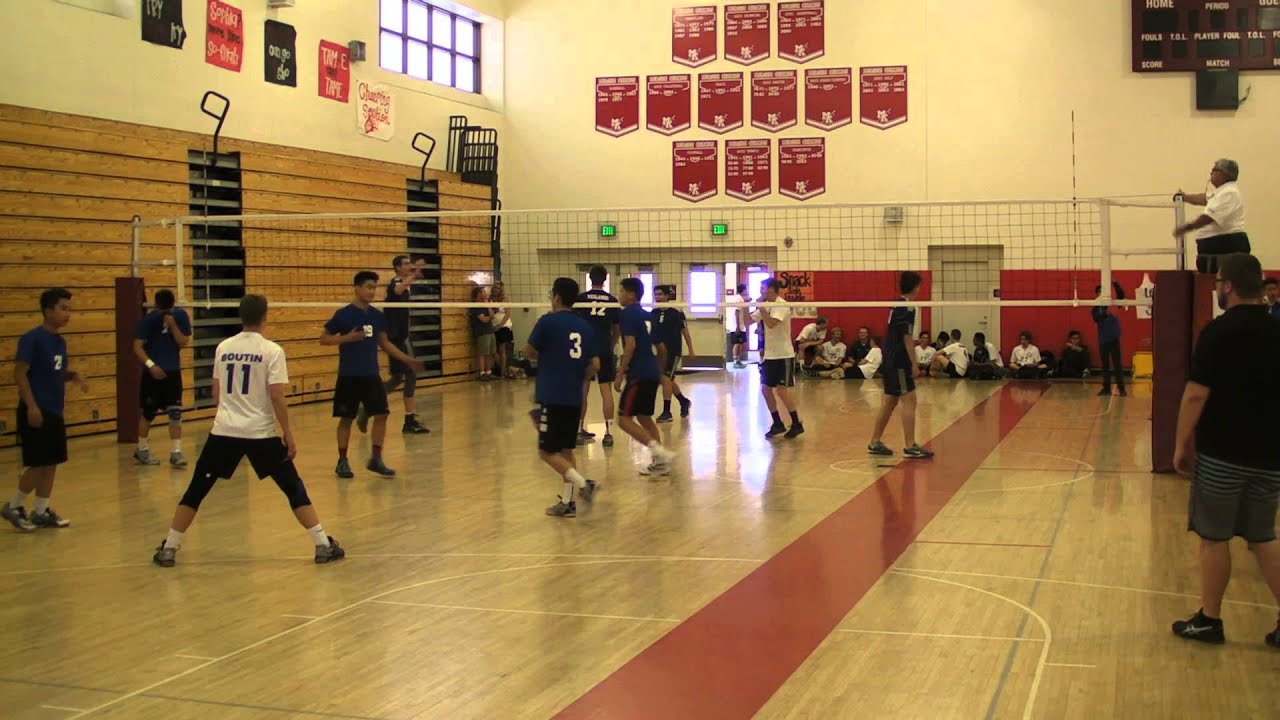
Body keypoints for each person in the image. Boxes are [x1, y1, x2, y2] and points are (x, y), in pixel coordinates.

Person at [152, 294, 345, 566]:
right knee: (293, 488)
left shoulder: (223, 347)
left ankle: (169, 548)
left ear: (240, 316)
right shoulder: (272, 351)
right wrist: (287, 432)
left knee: (197, 490)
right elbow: (276, 395)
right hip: (260, 433)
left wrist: (230, 414)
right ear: (265, 317)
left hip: (225, 430)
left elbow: (217, 392)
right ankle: (322, 544)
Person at [1170, 252, 1280, 648]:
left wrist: (1181, 444)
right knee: (1263, 536)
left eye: (1218, 282)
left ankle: (1210, 620)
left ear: (1228, 286)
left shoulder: (1217, 332)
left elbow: (1197, 394)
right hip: (1270, 454)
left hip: (1223, 454)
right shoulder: (1276, 329)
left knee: (1214, 538)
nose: (1216, 288)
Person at [320, 271, 423, 479]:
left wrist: (407, 359)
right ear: (356, 288)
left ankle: (376, 458)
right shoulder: (343, 315)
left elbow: (384, 343)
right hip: (348, 375)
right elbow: (324, 339)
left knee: (382, 414)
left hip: (370, 375)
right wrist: (348, 338)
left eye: (374, 287)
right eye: (368, 287)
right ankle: (342, 461)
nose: (372, 291)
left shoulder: (377, 316)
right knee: (346, 418)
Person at [2, 288, 88, 532]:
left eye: (69, 309)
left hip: (54, 411)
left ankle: (40, 510)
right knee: (38, 464)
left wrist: (73, 376)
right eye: (63, 308)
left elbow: (54, 373)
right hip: (36, 410)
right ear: (48, 310)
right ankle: (14, 506)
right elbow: (20, 373)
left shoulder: (59, 341)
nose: (67, 314)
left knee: (51, 463)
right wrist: (31, 406)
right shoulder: (32, 339)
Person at [525, 278, 600, 518]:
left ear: (556, 297)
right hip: (574, 396)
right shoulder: (585, 326)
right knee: (566, 451)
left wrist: (549, 357)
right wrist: (575, 370)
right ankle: (568, 503)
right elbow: (595, 365)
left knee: (546, 452)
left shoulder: (547, 322)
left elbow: (529, 352)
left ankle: (583, 484)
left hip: (552, 395)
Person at [868, 272, 933, 459]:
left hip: (890, 358)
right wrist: (914, 363)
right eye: (919, 285)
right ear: (915, 287)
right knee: (909, 399)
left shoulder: (896, 304)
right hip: (899, 361)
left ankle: (874, 441)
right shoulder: (908, 308)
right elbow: (906, 338)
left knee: (890, 401)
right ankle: (910, 445)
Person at [614, 277, 675, 475]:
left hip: (638, 373)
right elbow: (662, 349)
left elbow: (630, 346)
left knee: (624, 419)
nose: (620, 295)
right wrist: (660, 371)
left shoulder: (628, 315)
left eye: (622, 291)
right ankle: (660, 463)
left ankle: (660, 452)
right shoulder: (650, 316)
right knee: (644, 418)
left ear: (631, 294)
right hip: (651, 372)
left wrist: (620, 372)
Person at [367, 255, 428, 434]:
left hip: (401, 336)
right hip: (394, 338)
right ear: (397, 268)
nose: (409, 265)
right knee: (410, 374)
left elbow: (419, 278)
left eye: (410, 263)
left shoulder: (404, 281)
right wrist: (415, 270)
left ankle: (368, 405)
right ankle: (409, 420)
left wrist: (416, 271)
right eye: (405, 264)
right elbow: (400, 289)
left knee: (398, 378)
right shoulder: (395, 283)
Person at [132, 288, 192, 467]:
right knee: (148, 414)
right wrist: (151, 366)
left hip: (172, 373)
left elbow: (183, 342)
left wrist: (173, 325)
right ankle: (142, 449)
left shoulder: (180, 316)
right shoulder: (148, 320)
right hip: (152, 375)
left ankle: (176, 452)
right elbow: (137, 347)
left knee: (175, 412)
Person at [1174, 159, 1248, 275]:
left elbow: (1209, 217)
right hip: (1217, 247)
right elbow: (1205, 198)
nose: (1210, 173)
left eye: (1214, 170)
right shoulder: (1221, 192)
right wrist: (1185, 197)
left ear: (1223, 174)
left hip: (1224, 247)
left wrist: (1187, 227)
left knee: (1222, 280)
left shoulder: (1229, 193)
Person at [575, 265, 621, 446]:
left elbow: (575, 323)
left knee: (583, 389)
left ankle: (579, 430)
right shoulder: (612, 300)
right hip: (603, 349)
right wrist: (610, 345)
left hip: (585, 349)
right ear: (606, 279)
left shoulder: (580, 299)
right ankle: (608, 433)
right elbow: (617, 329)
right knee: (606, 390)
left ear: (589, 278)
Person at [752, 278, 804, 439]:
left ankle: (796, 424)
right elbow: (747, 321)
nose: (761, 291)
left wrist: (761, 308)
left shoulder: (781, 304)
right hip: (769, 355)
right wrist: (743, 308)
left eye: (763, 288)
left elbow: (771, 324)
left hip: (784, 355)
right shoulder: (764, 305)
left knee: (781, 391)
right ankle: (777, 423)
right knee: (766, 390)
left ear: (772, 290)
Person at [654, 285, 693, 423]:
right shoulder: (653, 313)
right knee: (668, 380)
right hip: (659, 353)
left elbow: (685, 333)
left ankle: (667, 412)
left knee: (665, 379)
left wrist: (691, 350)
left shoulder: (676, 313)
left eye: (660, 294)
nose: (657, 297)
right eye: (656, 294)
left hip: (674, 352)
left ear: (667, 296)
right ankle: (683, 401)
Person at [1092, 283, 1127, 397]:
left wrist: (1116, 285)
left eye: (1104, 291)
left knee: (1117, 365)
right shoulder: (1095, 308)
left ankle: (1122, 389)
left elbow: (1121, 296)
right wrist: (1104, 311)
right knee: (1105, 365)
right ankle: (1106, 388)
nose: (1102, 293)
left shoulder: (1114, 304)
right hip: (1103, 340)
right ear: (1097, 294)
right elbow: (1097, 318)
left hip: (1114, 338)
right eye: (1100, 292)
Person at [469, 286, 496, 381]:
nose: (485, 293)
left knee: (489, 353)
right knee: (482, 353)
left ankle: (488, 372)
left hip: (489, 331)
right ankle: (482, 373)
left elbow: (492, 315)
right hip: (482, 332)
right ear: (478, 294)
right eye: (483, 292)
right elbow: (483, 319)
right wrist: (489, 317)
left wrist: (488, 306)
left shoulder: (485, 304)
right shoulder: (475, 306)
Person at [491, 281, 515, 378]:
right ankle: (503, 369)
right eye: (495, 287)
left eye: (498, 288)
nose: (496, 289)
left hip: (504, 326)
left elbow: (508, 314)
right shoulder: (491, 299)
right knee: (493, 350)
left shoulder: (505, 299)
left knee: (502, 350)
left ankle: (502, 374)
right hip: (493, 327)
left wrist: (500, 325)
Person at [727, 283, 750, 369]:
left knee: (740, 343)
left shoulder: (739, 298)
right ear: (743, 290)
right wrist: (737, 326)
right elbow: (737, 312)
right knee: (737, 343)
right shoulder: (739, 299)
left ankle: (738, 360)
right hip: (737, 325)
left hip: (740, 325)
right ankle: (735, 361)